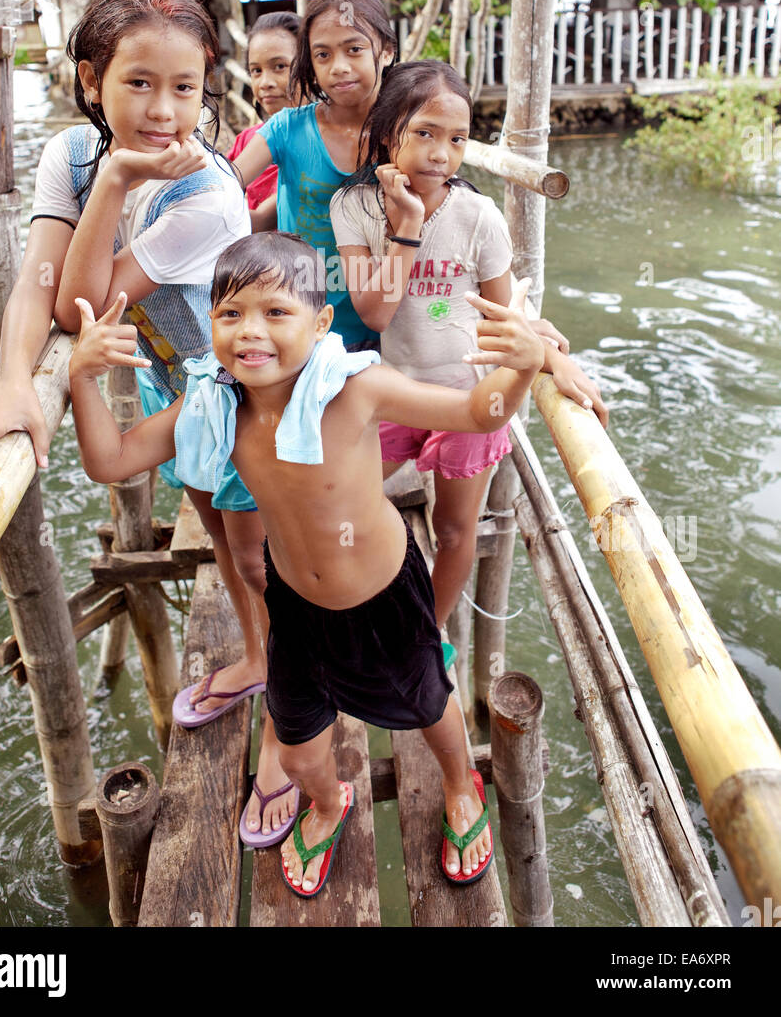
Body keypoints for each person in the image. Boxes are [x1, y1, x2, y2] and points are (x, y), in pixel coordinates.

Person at [66, 231, 549, 894]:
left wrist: (524, 363)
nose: (249, 332)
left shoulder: (354, 389)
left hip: (384, 595)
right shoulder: (214, 402)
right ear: (209, 324)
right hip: (294, 604)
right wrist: (83, 377)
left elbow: (474, 410)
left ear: (320, 323)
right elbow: (109, 460)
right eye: (229, 314)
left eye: (275, 312)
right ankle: (329, 802)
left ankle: (461, 786)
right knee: (294, 748)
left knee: (429, 704)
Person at [0, 0, 291, 843]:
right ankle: (257, 660)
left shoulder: (203, 195)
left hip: (243, 394)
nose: (164, 110)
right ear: (93, 79)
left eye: (184, 88)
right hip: (181, 387)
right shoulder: (69, 151)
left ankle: (291, 719)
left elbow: (84, 300)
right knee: (220, 532)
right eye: (139, 83)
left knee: (263, 560)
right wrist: (14, 382)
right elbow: (40, 278)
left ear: (205, 84)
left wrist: (116, 184)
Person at [331, 60, 608, 643]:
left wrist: (554, 359)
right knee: (341, 504)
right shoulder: (354, 207)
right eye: (424, 133)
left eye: (456, 139)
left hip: (472, 395)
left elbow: (508, 319)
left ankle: (423, 639)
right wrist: (406, 223)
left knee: (455, 531)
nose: (440, 153)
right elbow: (377, 311)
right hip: (394, 392)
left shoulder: (478, 216)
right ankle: (354, 609)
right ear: (387, 133)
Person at [230, 0, 397, 348]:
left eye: (354, 49)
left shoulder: (406, 130)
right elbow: (226, 185)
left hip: (393, 329)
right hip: (306, 335)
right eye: (323, 55)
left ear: (386, 51)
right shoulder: (288, 128)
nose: (339, 67)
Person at [227, 11, 300, 212]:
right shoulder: (247, 140)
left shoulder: (321, 143)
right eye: (256, 71)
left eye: (279, 66)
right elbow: (217, 187)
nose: (265, 83)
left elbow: (261, 220)